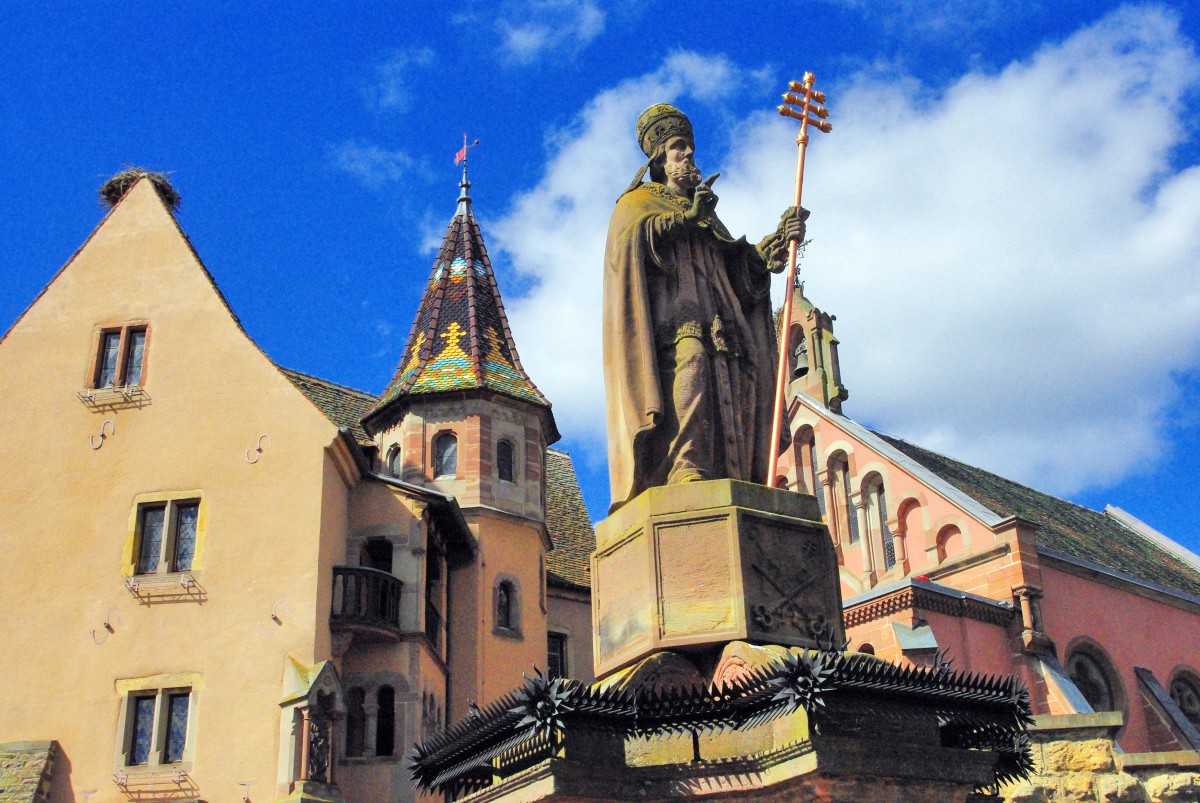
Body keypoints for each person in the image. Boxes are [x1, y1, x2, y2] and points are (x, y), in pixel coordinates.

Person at [603, 103, 806, 513]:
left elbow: (736, 268)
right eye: (679, 148)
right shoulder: (637, 202)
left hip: (723, 321)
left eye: (690, 148)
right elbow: (633, 247)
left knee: (731, 383)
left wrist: (770, 247)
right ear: (659, 159)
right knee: (690, 371)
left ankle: (734, 472)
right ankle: (684, 467)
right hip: (675, 319)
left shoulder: (708, 213)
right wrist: (683, 221)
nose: (688, 156)